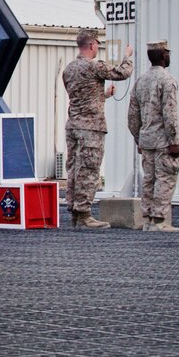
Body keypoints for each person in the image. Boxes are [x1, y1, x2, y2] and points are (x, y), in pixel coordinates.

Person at [62, 28, 133, 229]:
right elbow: (123, 72)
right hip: (91, 128)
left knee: (74, 168)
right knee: (89, 169)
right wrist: (127, 57)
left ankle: (75, 213)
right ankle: (84, 215)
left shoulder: (69, 69)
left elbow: (81, 97)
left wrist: (105, 95)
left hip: (73, 126)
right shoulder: (94, 67)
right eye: (97, 45)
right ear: (92, 45)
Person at [128, 40, 179, 233]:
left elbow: (132, 116)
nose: (169, 56)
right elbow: (170, 114)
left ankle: (149, 219)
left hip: (147, 140)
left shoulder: (140, 81)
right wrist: (174, 140)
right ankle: (160, 221)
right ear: (163, 56)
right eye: (167, 53)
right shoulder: (168, 81)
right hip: (163, 141)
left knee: (149, 180)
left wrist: (138, 138)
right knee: (165, 179)